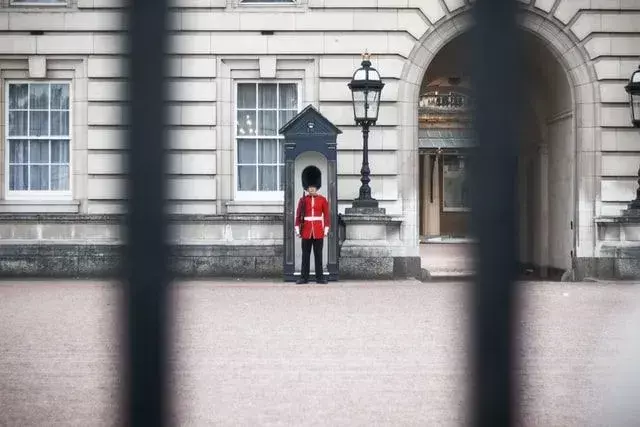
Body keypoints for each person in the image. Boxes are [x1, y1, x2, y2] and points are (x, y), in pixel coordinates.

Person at [295, 167, 330, 284]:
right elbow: (298, 215)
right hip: (306, 230)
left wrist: (325, 230)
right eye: (310, 187)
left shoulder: (323, 200)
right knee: (305, 255)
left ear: (317, 187)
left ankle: (319, 277)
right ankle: (303, 278)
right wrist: (297, 229)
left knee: (318, 255)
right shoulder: (302, 200)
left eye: (313, 187)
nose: (312, 189)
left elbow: (326, 216)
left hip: (318, 231)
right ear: (307, 188)